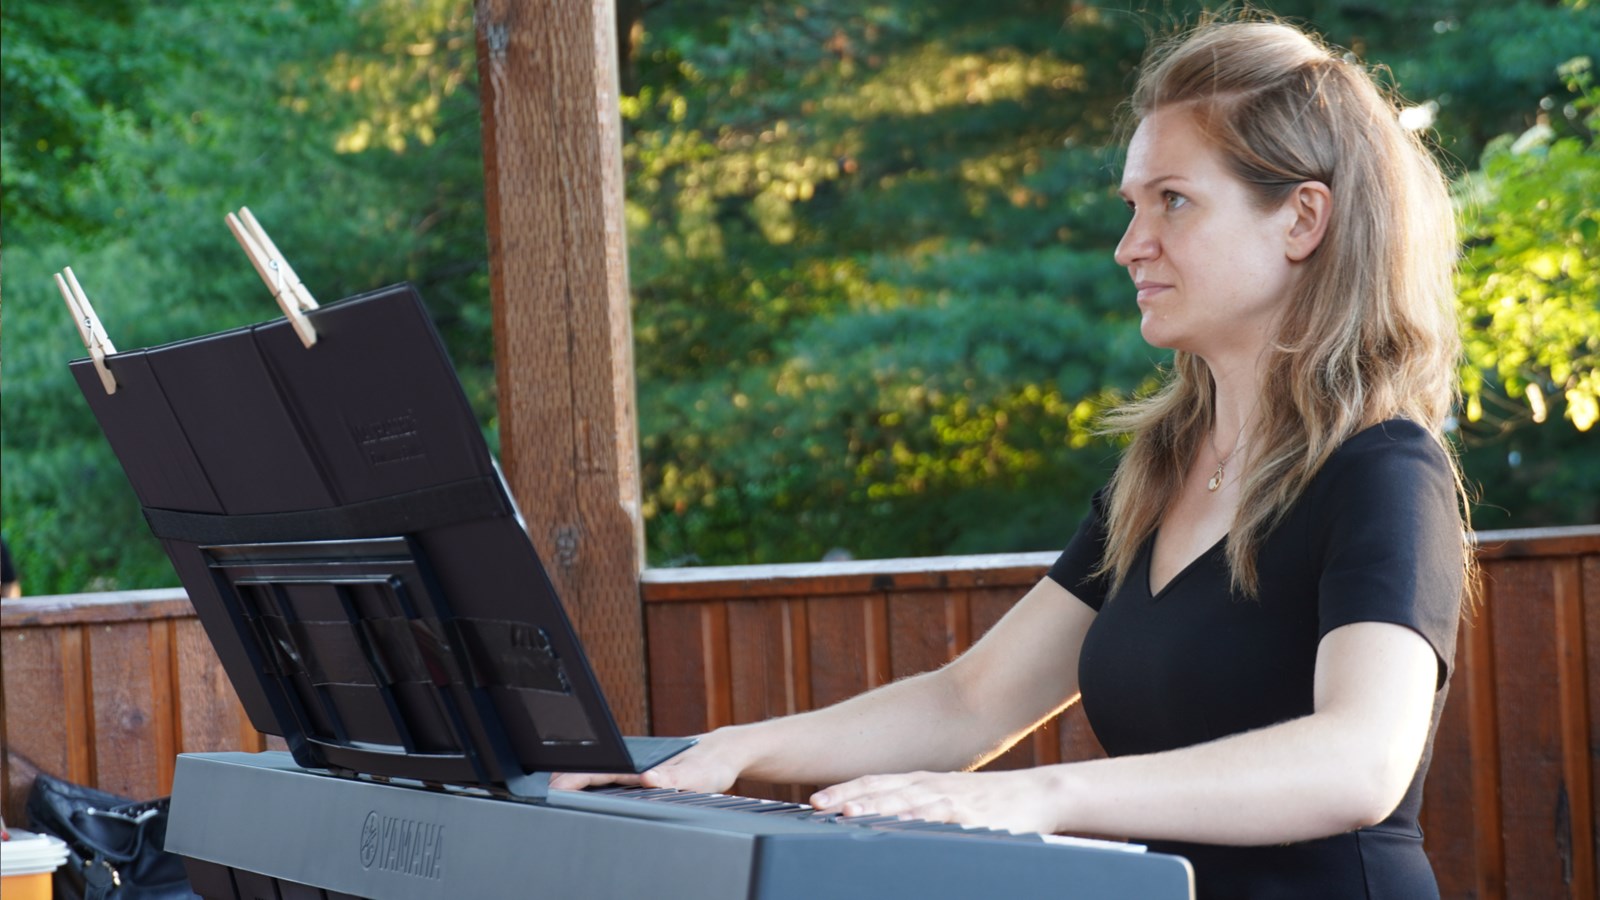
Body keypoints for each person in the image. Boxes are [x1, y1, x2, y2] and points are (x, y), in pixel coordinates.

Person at [556, 18, 1475, 899]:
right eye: (1132, 205)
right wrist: (732, 750)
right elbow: (970, 702)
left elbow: (1359, 759)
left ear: (1302, 220)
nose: (1130, 246)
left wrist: (1042, 796)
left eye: (1174, 202)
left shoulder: (1385, 472)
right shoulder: (1155, 477)